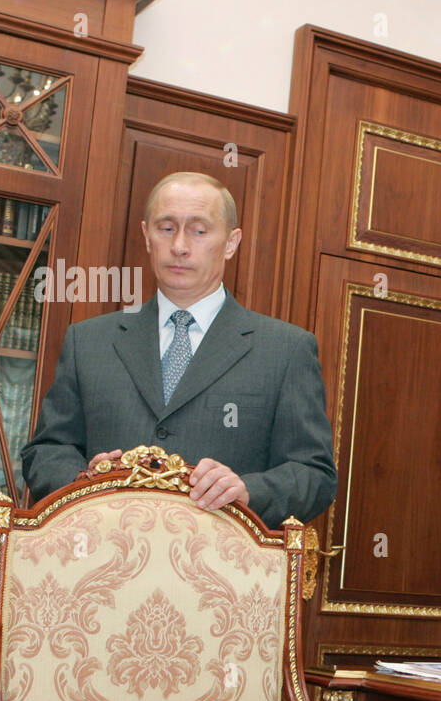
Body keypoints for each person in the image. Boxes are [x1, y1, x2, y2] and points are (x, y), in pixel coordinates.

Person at [21, 171, 336, 527]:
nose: (180, 246)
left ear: (231, 243)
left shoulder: (286, 349)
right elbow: (45, 453)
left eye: (199, 231)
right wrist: (85, 484)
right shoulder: (89, 341)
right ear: (146, 236)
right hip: (102, 560)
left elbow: (315, 474)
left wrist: (247, 491)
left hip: (218, 569)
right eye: (167, 228)